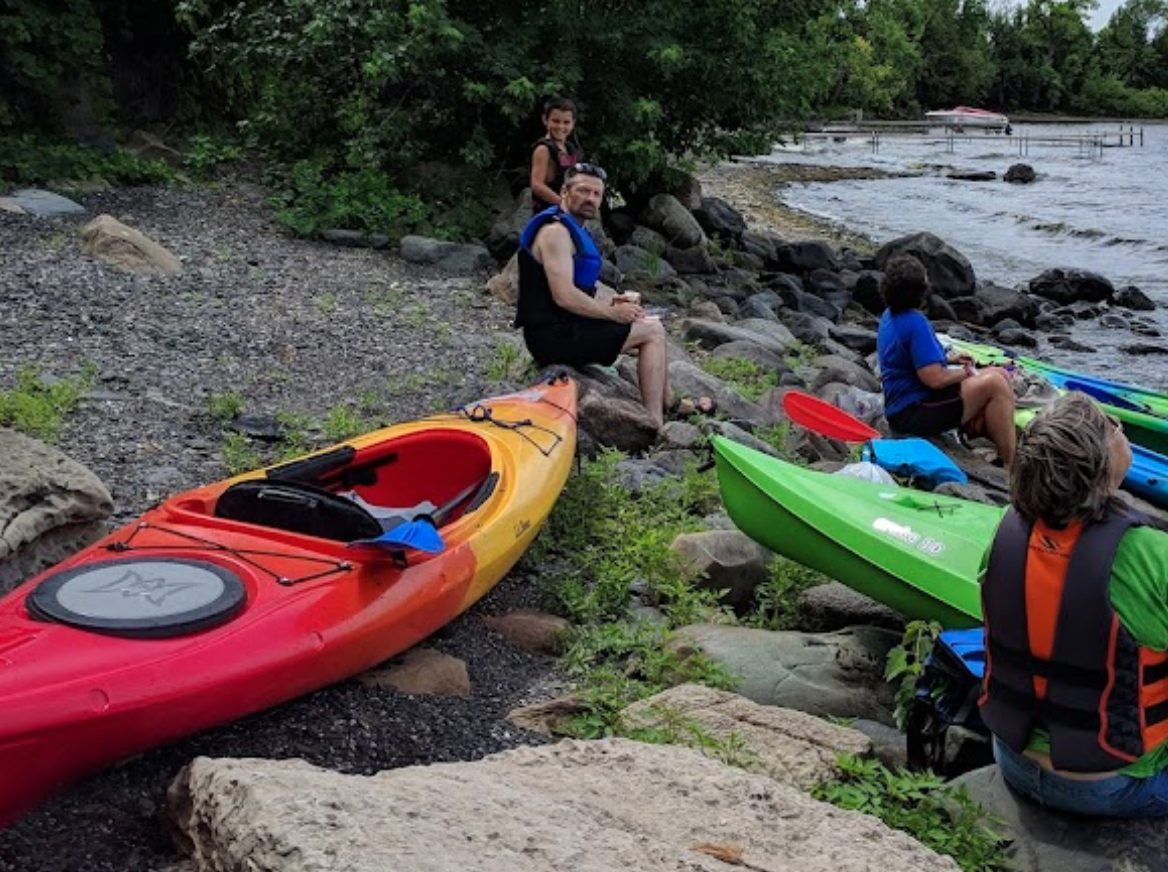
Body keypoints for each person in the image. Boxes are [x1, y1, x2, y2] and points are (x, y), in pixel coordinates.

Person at [980, 391, 1168, 817]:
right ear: (1100, 462)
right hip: (1111, 784)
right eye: (1114, 427)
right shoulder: (1152, 557)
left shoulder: (1004, 533)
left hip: (1012, 759)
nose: (1122, 432)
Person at [515, 162, 670, 428]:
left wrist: (610, 305)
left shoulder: (574, 229)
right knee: (653, 332)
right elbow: (564, 296)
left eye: (597, 194)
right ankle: (654, 421)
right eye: (584, 191)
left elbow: (574, 293)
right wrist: (610, 313)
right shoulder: (555, 233)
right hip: (551, 338)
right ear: (565, 191)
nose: (591, 199)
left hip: (567, 326)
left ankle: (669, 403)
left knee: (646, 322)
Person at [876, 254, 1016, 466]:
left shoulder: (890, 315)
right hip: (913, 413)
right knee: (995, 384)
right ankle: (1011, 464)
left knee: (1000, 374)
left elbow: (911, 359)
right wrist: (966, 372)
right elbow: (934, 379)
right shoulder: (915, 323)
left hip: (902, 406)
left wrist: (950, 359)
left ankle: (994, 442)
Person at [530, 97, 583, 215]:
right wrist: (563, 204)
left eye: (566, 122)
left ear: (573, 123)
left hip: (568, 213)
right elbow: (537, 185)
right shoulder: (543, 149)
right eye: (555, 121)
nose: (560, 127)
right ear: (545, 120)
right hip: (549, 213)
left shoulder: (570, 149)